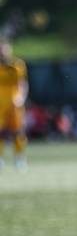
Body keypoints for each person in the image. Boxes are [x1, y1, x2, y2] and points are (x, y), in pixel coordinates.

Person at [0, 40, 28, 171]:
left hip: (14, 104)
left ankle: (19, 159)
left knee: (18, 133)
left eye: (4, 50)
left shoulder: (18, 65)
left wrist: (21, 97)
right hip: (0, 105)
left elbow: (22, 84)